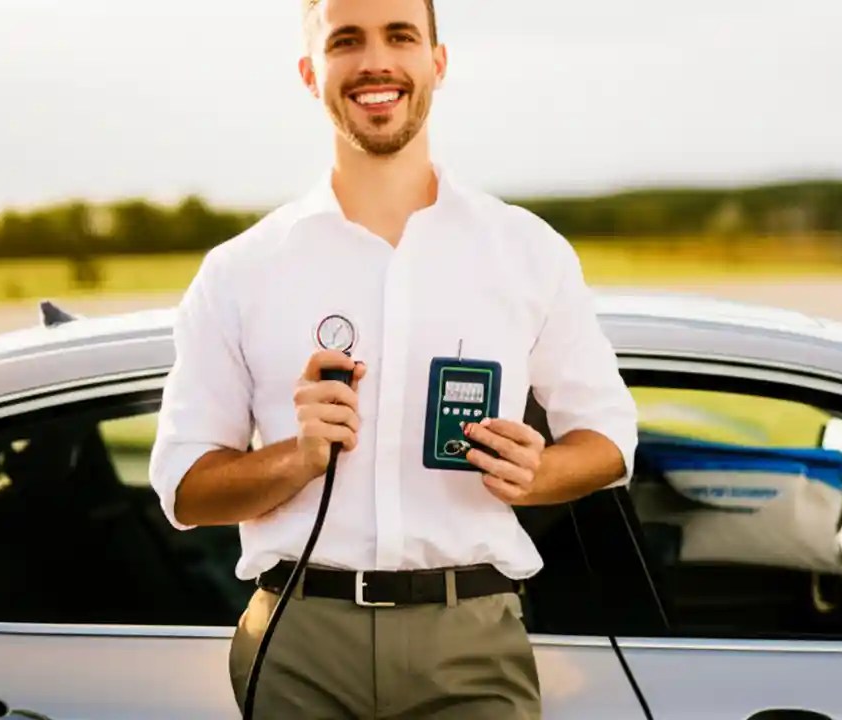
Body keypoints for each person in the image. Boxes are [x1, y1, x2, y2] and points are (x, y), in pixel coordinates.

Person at [146, 0, 639, 717]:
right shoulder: (239, 271)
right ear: (311, 72)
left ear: (437, 61)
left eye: (400, 35)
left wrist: (540, 472)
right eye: (347, 40)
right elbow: (186, 491)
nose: (376, 60)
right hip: (297, 638)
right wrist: (300, 455)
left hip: (469, 636)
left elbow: (611, 440)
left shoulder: (526, 250)